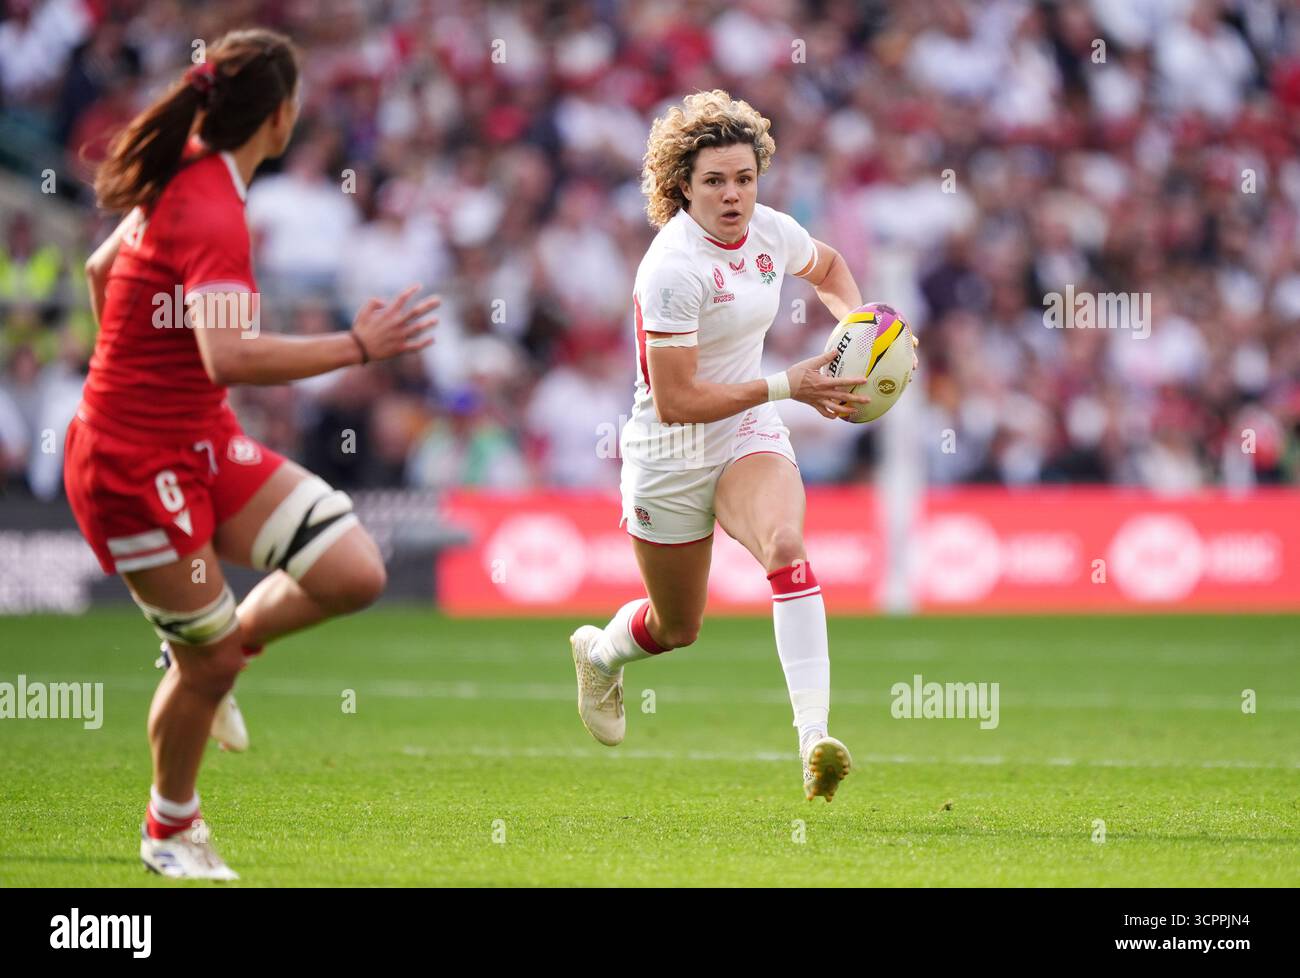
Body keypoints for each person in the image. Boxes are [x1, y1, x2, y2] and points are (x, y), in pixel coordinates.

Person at [64, 29, 439, 879]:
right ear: (281, 116)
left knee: (352, 573)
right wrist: (356, 345)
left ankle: (206, 655)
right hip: (130, 464)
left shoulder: (189, 171)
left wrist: (135, 371)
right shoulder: (211, 205)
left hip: (196, 435)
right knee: (212, 663)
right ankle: (169, 831)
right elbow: (226, 356)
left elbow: (97, 270)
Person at [569, 89, 918, 802]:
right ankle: (601, 656)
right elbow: (678, 400)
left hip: (747, 430)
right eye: (715, 182)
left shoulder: (770, 231)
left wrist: (858, 337)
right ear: (682, 189)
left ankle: (813, 739)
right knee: (677, 627)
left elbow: (827, 268)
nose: (733, 196)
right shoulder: (672, 268)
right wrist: (789, 384)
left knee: (787, 548)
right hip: (670, 451)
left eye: (745, 178)